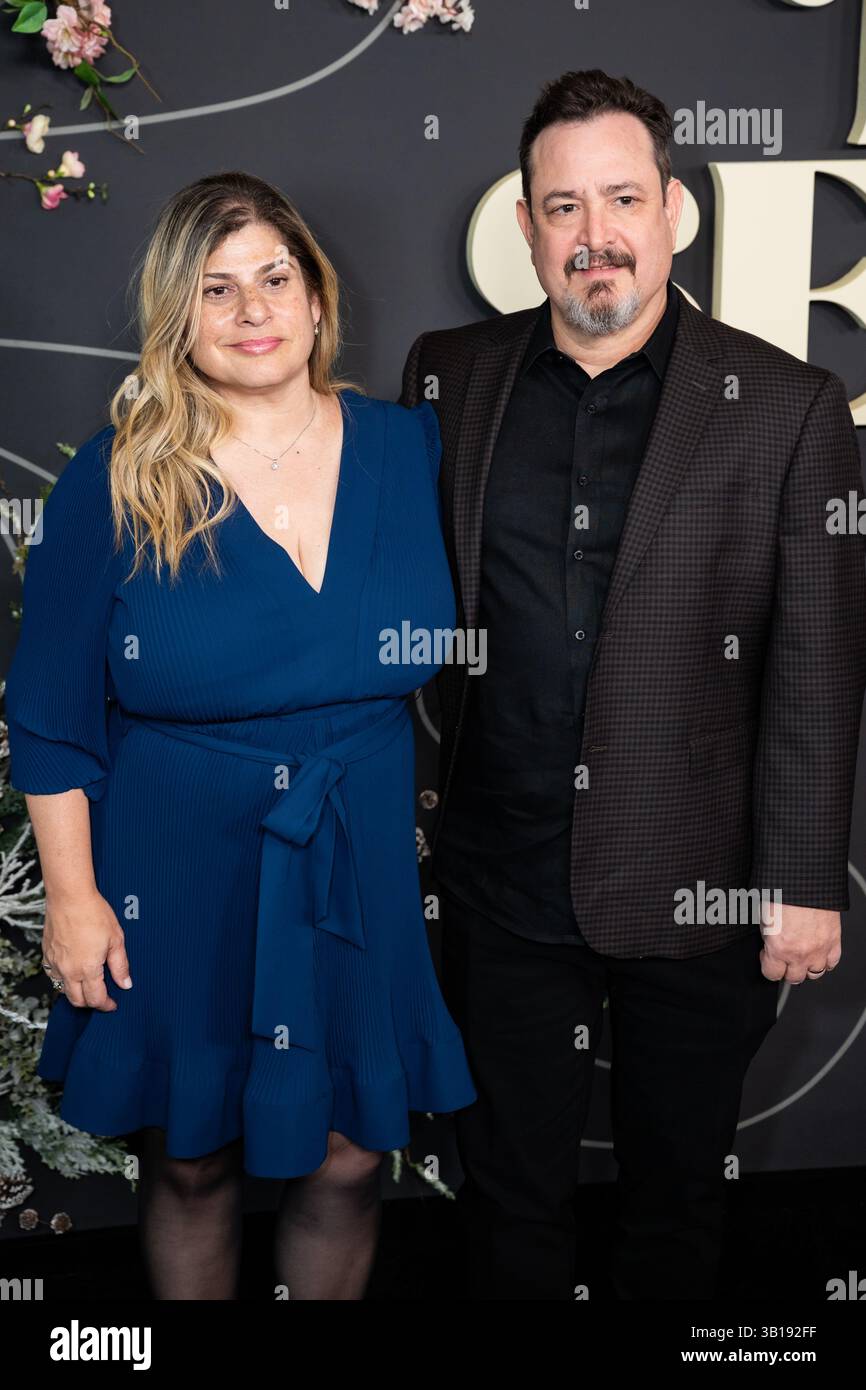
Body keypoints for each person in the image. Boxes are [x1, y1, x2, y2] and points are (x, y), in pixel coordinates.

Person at [399, 69, 866, 1300]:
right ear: (525, 227)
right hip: (497, 881)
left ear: (671, 209)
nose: (591, 233)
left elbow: (817, 664)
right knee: (505, 1199)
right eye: (561, 206)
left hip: (696, 884)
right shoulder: (448, 374)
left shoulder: (784, 405)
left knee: (672, 1214)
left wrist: (804, 882)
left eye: (619, 198)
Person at [5, 170, 476, 1301]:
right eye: (215, 290)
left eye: (274, 278)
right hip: (177, 868)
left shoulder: (411, 450)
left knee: (354, 1154)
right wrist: (72, 903)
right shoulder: (115, 480)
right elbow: (52, 714)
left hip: (352, 851)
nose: (252, 309)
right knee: (193, 1157)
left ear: (316, 299)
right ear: (180, 318)